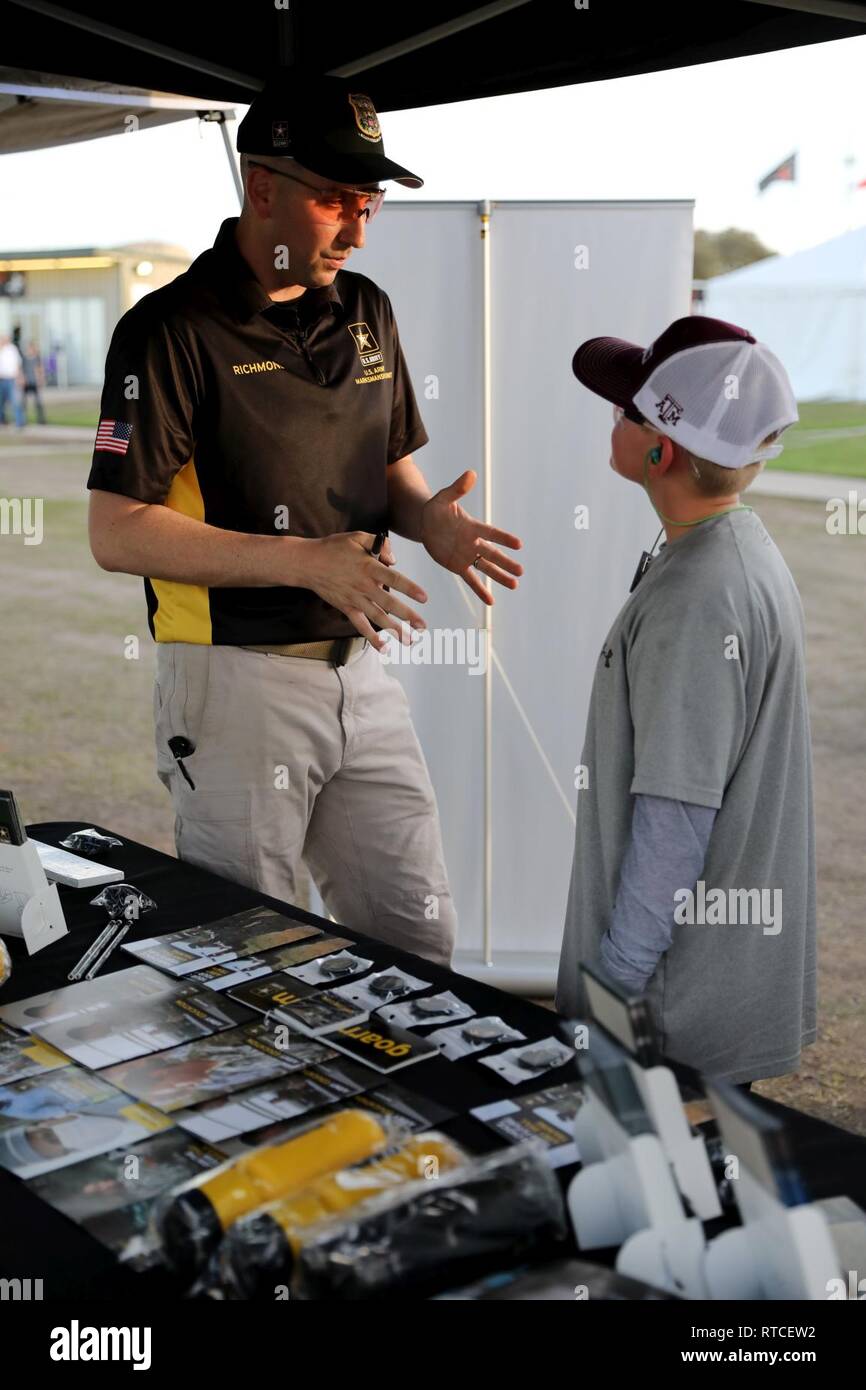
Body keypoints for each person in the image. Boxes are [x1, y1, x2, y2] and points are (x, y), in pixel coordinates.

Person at [87, 73, 523, 968]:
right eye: (335, 200)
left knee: (415, 937)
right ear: (262, 190)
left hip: (360, 673)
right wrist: (303, 561)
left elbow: (392, 470)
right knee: (252, 953)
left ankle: (394, 1113)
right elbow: (115, 530)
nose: (358, 228)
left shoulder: (367, 309)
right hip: (232, 682)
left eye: (369, 203)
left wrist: (430, 521)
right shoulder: (165, 331)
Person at [556, 316, 816, 1087]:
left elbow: (675, 820)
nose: (614, 415)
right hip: (699, 991)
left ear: (661, 449)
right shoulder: (738, 549)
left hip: (669, 1013)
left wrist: (615, 992)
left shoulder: (700, 596)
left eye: (628, 409)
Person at [0, 334, 24, 428]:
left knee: (15, 401)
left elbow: (18, 364)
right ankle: (2, 421)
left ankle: (19, 422)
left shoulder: (12, 349)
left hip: (11, 379)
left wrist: (20, 377)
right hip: (1, 379)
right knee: (1, 402)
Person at [20, 341, 46, 424]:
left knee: (38, 401)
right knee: (23, 402)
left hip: (35, 382)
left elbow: (40, 369)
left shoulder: (37, 358)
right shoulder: (24, 358)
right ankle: (22, 419)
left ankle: (41, 420)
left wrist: (41, 380)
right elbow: (21, 370)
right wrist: (22, 379)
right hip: (26, 382)